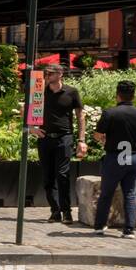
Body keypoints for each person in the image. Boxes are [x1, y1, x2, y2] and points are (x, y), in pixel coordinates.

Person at [92, 80, 136, 239]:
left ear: (117, 95)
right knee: (130, 193)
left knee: (106, 193)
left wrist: (104, 141)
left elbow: (98, 135)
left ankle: (100, 226)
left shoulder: (110, 113)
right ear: (134, 95)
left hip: (114, 157)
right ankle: (129, 230)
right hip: (133, 156)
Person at [32, 64, 86, 223]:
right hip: (45, 138)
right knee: (47, 176)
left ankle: (66, 211)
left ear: (60, 74)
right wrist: (32, 128)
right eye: (46, 73)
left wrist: (81, 140)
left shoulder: (71, 92)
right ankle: (55, 210)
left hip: (64, 137)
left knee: (62, 175)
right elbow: (27, 110)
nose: (47, 75)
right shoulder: (39, 91)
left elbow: (80, 116)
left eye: (50, 73)